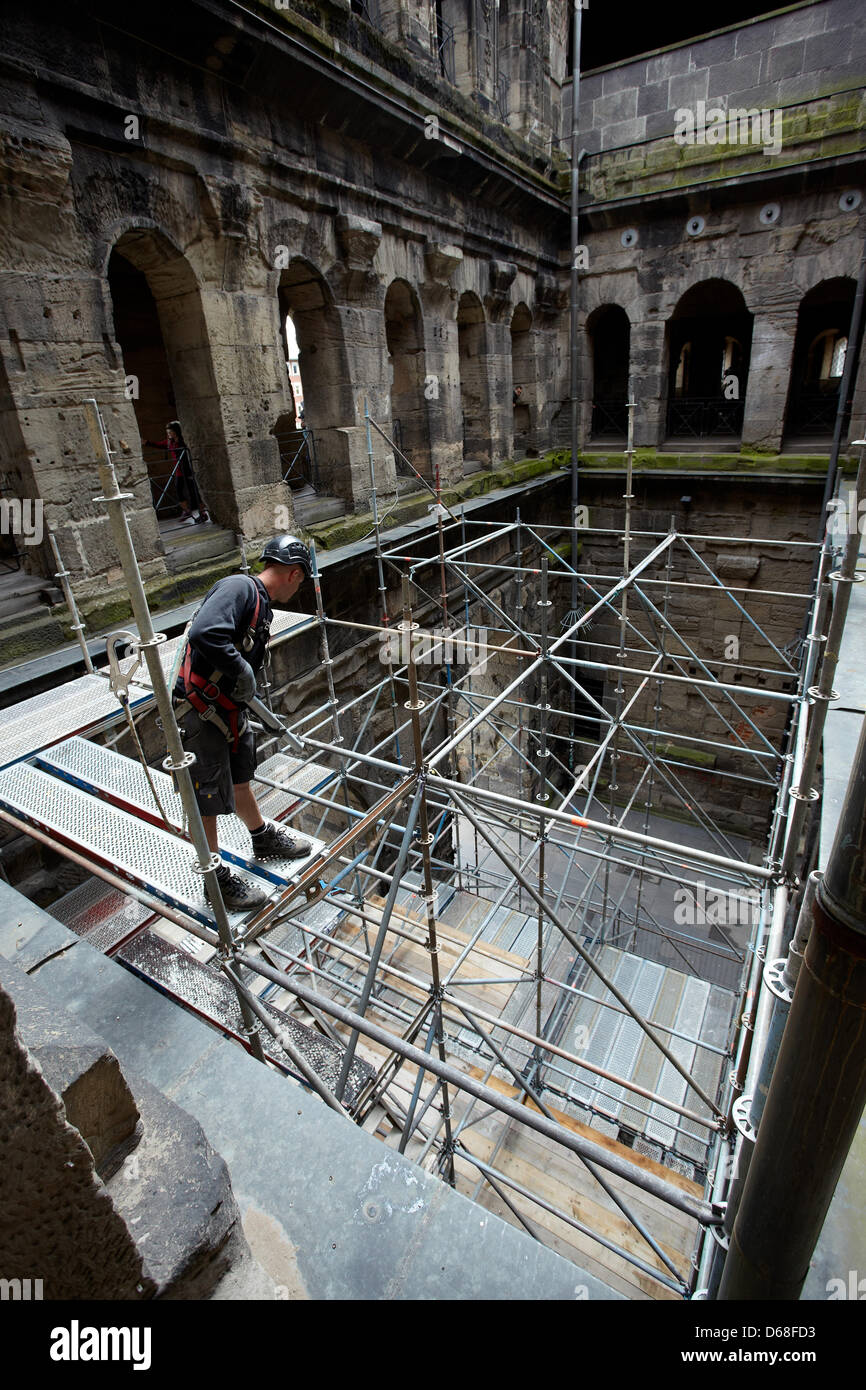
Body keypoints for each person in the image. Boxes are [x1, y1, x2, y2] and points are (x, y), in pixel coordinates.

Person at [173, 534, 313, 910]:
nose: (298, 587)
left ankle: (260, 835)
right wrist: (239, 670)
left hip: (226, 709)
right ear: (294, 574)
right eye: (301, 580)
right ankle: (214, 878)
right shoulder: (240, 588)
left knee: (238, 777)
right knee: (207, 794)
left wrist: (254, 703)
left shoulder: (258, 604)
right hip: (200, 710)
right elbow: (205, 633)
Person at [146, 421, 208, 526]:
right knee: (179, 491)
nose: (169, 434)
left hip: (187, 470)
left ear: (176, 432)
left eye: (170, 432)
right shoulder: (170, 442)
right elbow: (160, 445)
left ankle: (203, 513)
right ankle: (186, 511)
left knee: (193, 492)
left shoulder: (182, 441)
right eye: (168, 432)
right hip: (178, 471)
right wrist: (146, 442)